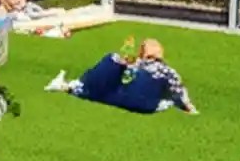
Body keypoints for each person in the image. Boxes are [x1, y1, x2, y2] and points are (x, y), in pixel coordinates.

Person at [45, 38, 198, 115]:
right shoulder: (167, 71)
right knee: (102, 90)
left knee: (110, 62)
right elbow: (179, 91)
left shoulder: (156, 69)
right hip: (143, 104)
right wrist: (188, 107)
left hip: (136, 98)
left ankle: (70, 85)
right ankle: (67, 86)